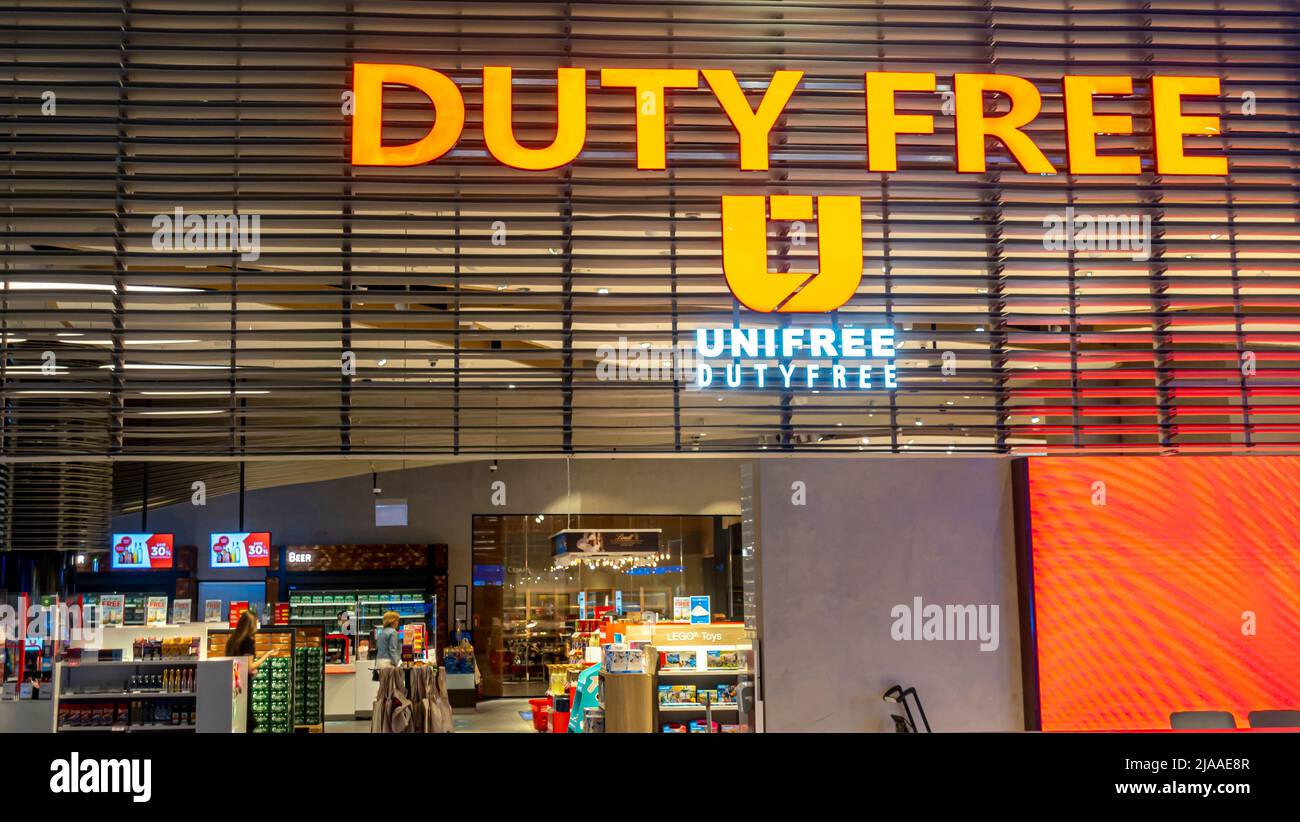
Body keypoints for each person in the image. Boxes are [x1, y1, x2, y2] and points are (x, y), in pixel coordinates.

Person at [224, 608, 273, 731]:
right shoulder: (248, 641)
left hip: (234, 681)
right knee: (247, 717)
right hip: (244, 684)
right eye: (256, 621)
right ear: (251, 624)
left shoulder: (232, 640)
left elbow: (237, 663)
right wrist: (267, 655)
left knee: (236, 715)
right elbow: (249, 666)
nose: (258, 624)